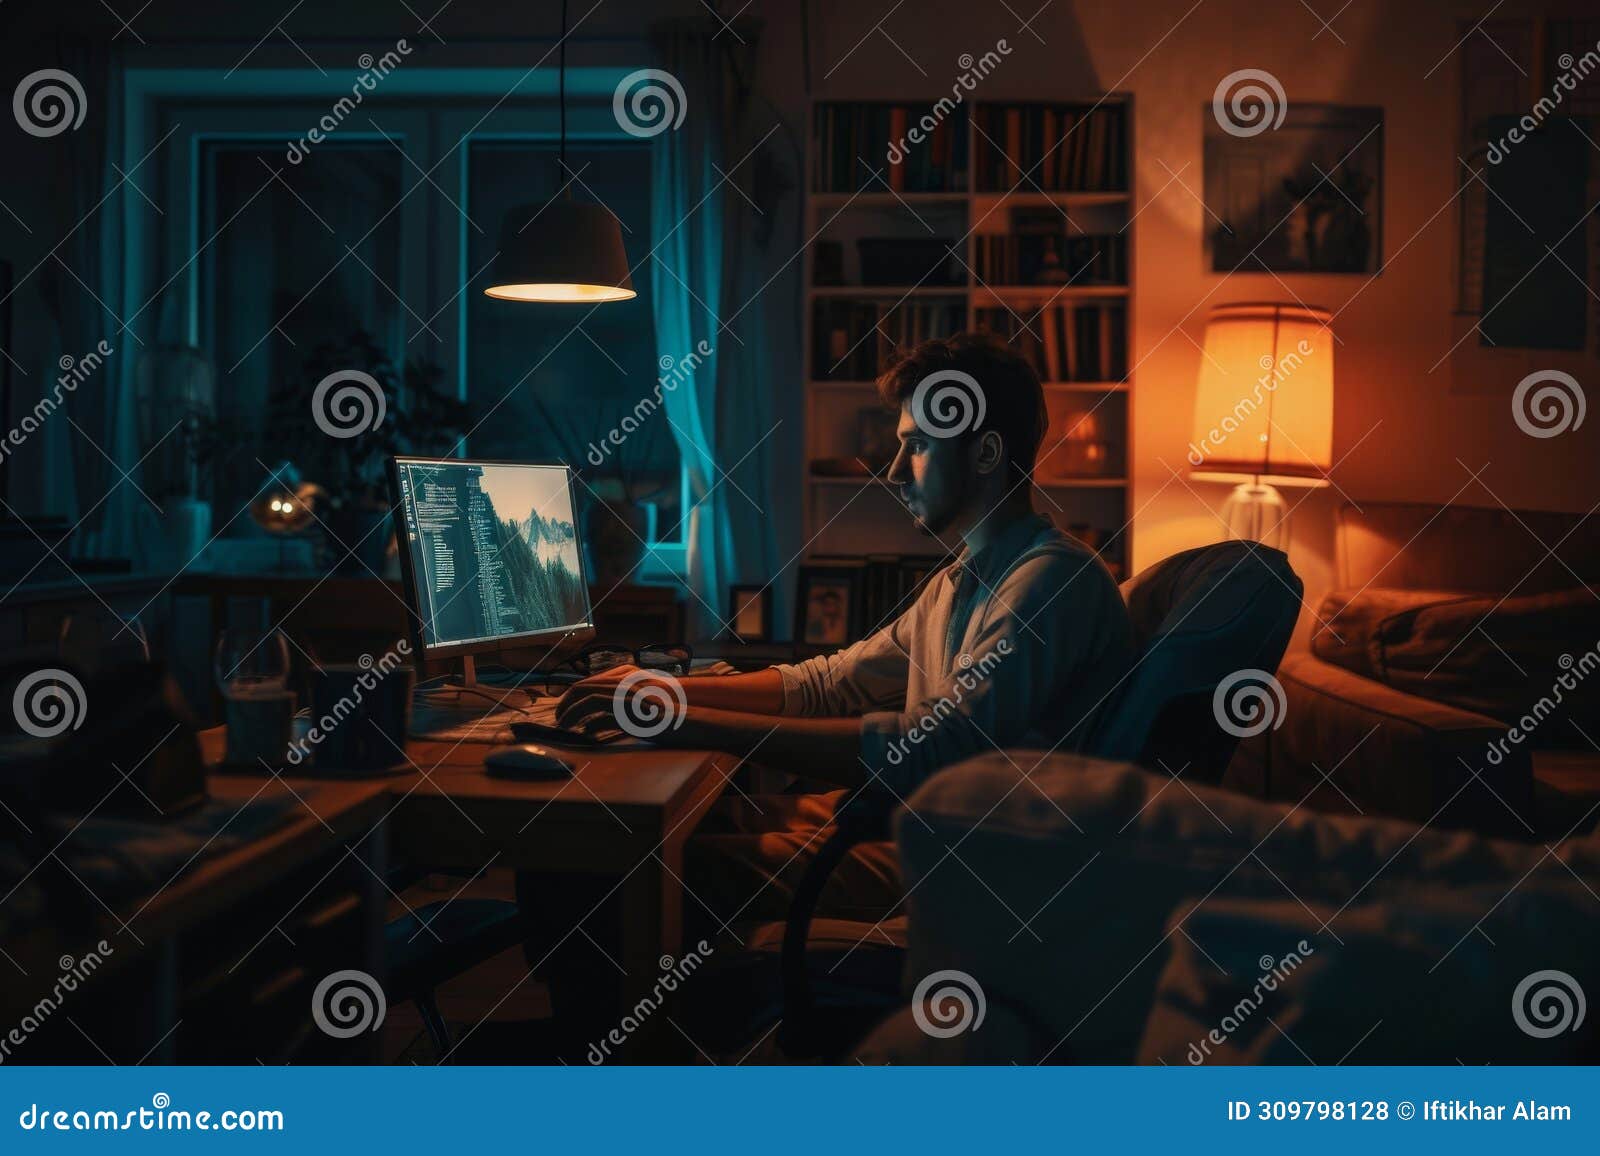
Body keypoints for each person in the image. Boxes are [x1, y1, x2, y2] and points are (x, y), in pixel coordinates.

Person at [552, 331, 1136, 940]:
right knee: (663, 827)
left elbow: (938, 747)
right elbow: (829, 683)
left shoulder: (1051, 582)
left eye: (918, 447)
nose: (894, 471)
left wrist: (678, 720)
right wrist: (661, 692)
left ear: (986, 454)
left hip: (968, 868)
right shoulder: (962, 579)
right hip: (913, 827)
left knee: (631, 867)